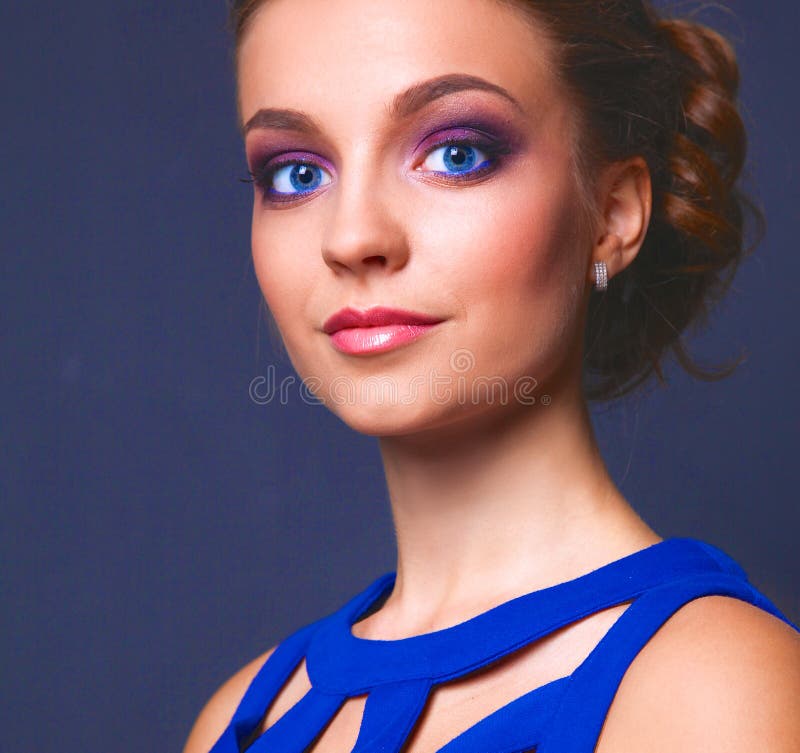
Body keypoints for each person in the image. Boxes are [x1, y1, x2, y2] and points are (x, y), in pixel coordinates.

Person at [184, 0, 800, 751]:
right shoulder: (245, 720)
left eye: (455, 153)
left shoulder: (715, 698)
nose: (352, 237)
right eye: (296, 171)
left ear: (613, 212)